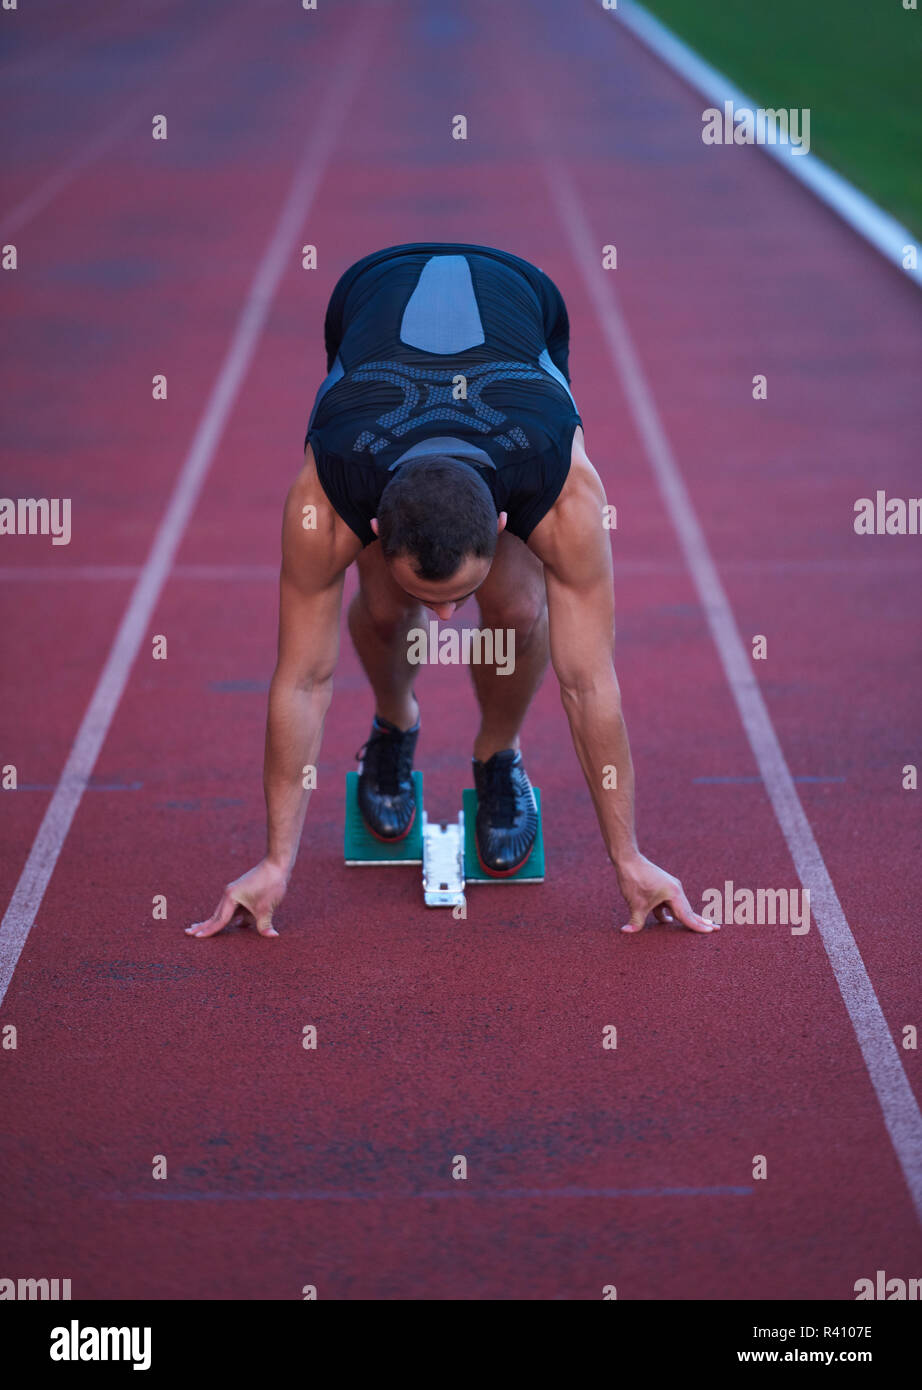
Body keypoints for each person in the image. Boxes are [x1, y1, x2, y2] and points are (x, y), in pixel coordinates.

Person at [187, 243, 715, 939]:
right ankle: (394, 724)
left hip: (523, 303)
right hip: (365, 305)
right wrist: (275, 863)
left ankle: (500, 756)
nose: (445, 618)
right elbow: (303, 680)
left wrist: (631, 859)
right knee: (382, 610)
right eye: (432, 598)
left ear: (503, 523)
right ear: (372, 527)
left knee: (520, 611)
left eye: (456, 594)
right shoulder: (330, 491)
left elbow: (590, 683)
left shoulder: (557, 486)